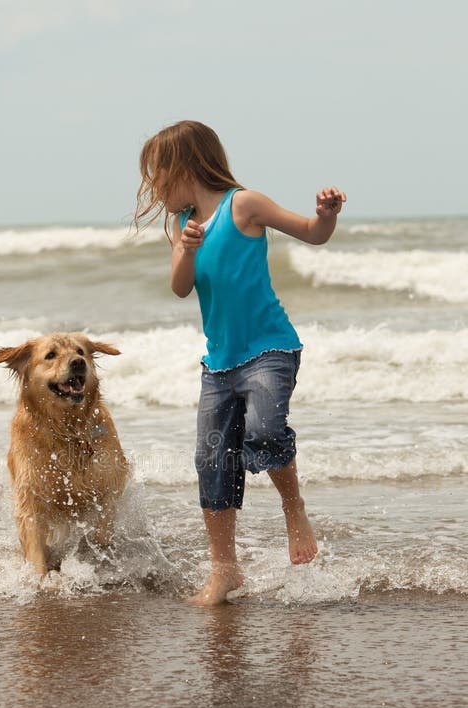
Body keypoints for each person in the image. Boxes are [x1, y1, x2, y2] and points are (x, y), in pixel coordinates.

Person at [135, 120, 346, 606]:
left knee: (265, 430)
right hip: (219, 364)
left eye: (157, 173)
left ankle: (294, 510)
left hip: (270, 349)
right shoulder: (183, 224)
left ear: (183, 166)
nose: (153, 186)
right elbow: (180, 287)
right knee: (212, 461)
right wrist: (185, 249)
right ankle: (224, 570)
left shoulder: (243, 205)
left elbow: (312, 234)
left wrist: (325, 215)